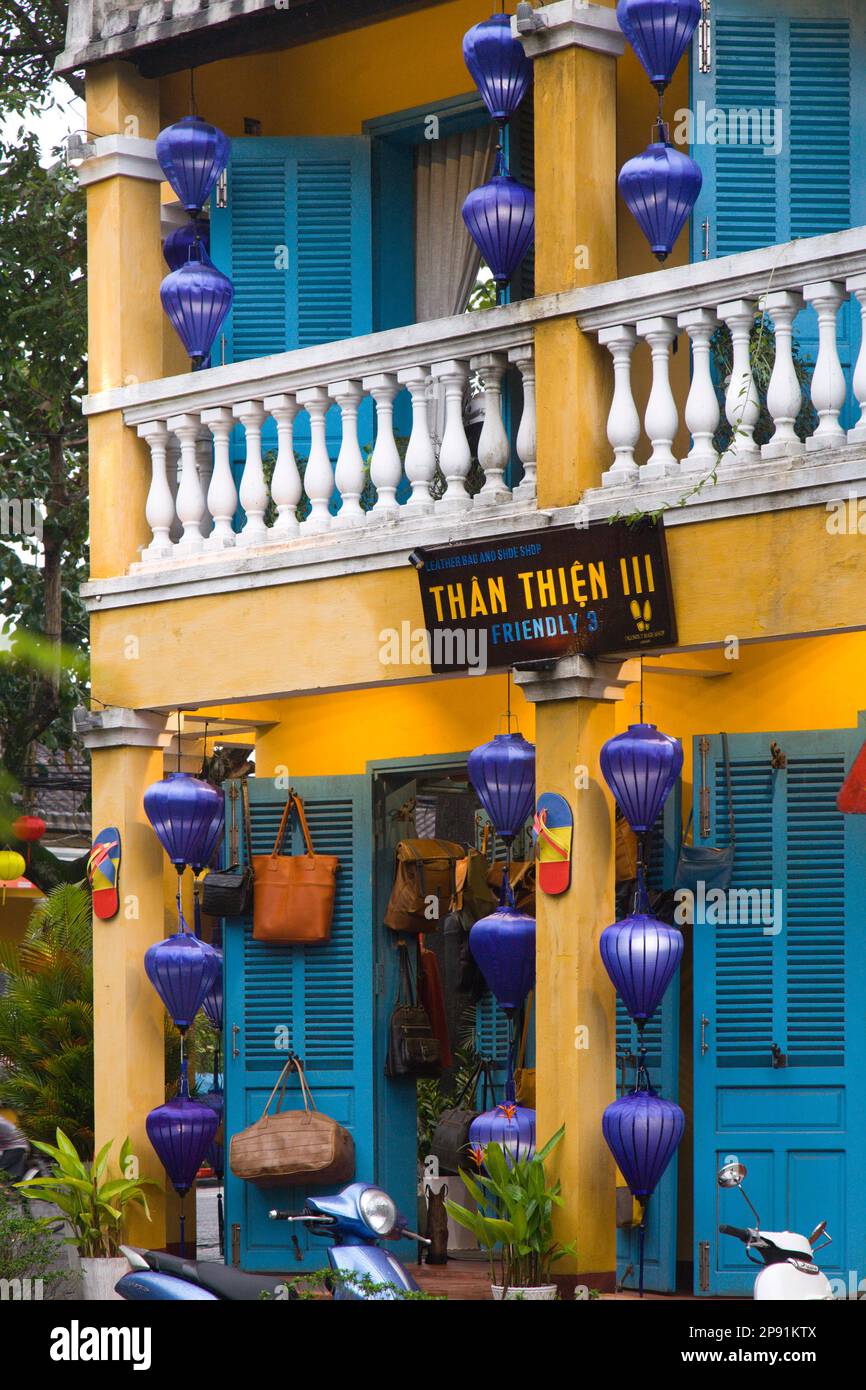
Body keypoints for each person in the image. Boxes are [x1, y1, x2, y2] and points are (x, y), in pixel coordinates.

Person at [0, 1114, 32, 1182]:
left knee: (2, 1169)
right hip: (11, 1145)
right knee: (11, 1171)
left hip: (16, 1145)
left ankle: (9, 1189)